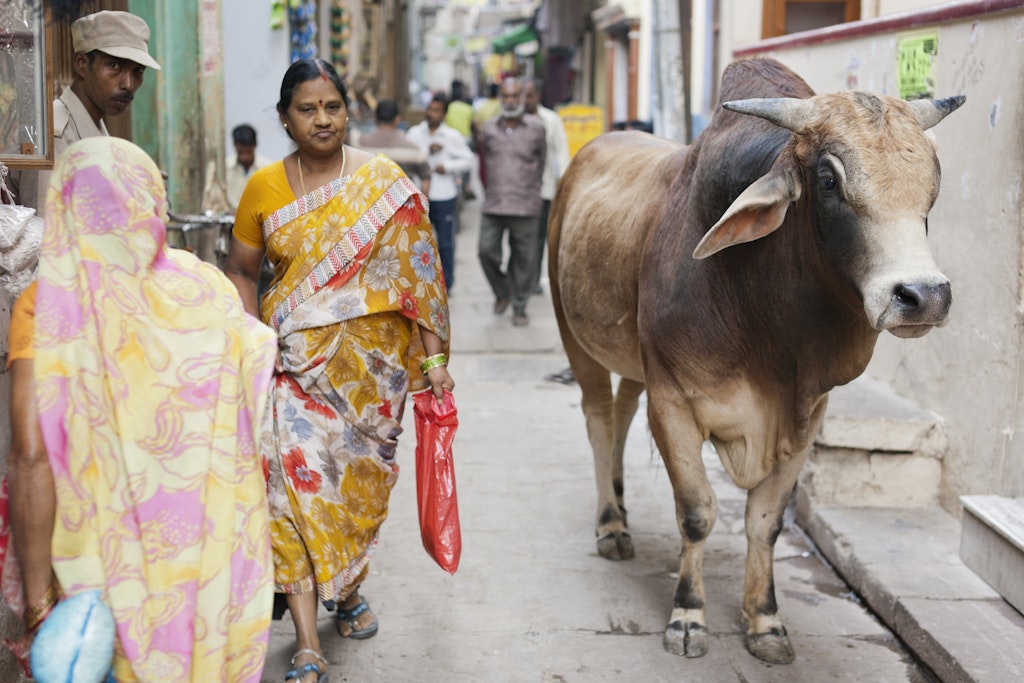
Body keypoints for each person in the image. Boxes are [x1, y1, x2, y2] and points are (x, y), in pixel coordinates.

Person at [0, 136, 278, 681]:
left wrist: (38, 607)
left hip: (95, 575)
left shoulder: (49, 304)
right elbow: (253, 391)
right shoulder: (206, 289)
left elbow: (32, 456)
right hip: (201, 566)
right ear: (153, 203)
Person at [224, 58, 454, 683]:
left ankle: (348, 590)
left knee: (350, 495)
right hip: (292, 367)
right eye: (307, 109)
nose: (322, 119)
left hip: (372, 380)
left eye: (332, 107)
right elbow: (243, 268)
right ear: (284, 118)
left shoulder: (383, 183)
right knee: (287, 483)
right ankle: (305, 640)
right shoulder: (265, 186)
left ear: (347, 110)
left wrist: (432, 361)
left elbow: (419, 280)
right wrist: (253, 334)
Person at [9, 10, 160, 212]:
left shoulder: (95, 129)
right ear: (82, 64)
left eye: (137, 71)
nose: (128, 84)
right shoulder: (54, 135)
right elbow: (46, 233)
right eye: (114, 66)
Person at [477, 76, 546, 327]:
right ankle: (502, 290)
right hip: (494, 202)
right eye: (505, 96)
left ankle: (519, 306)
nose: (510, 101)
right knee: (486, 251)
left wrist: (532, 189)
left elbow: (542, 163)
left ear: (522, 98)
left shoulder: (536, 128)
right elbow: (483, 164)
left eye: (515, 96)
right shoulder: (488, 128)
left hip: (526, 203)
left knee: (525, 259)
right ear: (499, 98)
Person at [406, 92, 475, 292]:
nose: (431, 113)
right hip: (418, 194)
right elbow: (409, 158)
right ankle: (421, 284)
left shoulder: (451, 136)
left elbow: (468, 160)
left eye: (436, 110)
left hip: (444, 195)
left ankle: (447, 284)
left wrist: (448, 166)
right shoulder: (415, 134)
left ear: (443, 113)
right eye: (429, 109)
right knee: (417, 243)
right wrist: (428, 151)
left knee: (445, 244)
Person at [523, 77, 571, 295]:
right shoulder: (513, 120)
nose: (525, 99)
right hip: (519, 189)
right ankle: (521, 277)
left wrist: (564, 181)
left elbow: (560, 150)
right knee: (521, 238)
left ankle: (532, 280)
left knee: (538, 237)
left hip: (544, 188)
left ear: (538, 96)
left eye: (530, 94)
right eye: (523, 95)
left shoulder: (550, 120)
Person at [359, 99, 431, 195]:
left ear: (375, 118)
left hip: (366, 205)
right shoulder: (412, 149)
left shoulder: (360, 144)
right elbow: (426, 177)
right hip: (402, 205)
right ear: (397, 119)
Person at [227, 123, 273, 211]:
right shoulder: (225, 168)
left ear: (254, 145)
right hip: (230, 219)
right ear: (235, 145)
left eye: (248, 150)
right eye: (242, 150)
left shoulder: (268, 168)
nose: (245, 154)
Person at [444, 80, 476, 200]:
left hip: (450, 139)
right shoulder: (468, 108)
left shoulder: (448, 108)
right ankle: (467, 186)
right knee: (467, 164)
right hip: (465, 140)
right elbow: (473, 126)